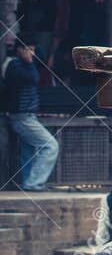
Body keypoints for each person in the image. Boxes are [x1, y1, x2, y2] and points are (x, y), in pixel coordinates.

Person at [3, 40, 59, 191]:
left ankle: (28, 184)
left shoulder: (25, 63)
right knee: (51, 146)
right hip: (21, 117)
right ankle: (33, 184)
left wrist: (31, 57)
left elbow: (41, 58)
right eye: (28, 49)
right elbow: (33, 78)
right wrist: (28, 62)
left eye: (33, 49)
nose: (31, 53)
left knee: (28, 152)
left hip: (27, 116)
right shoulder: (14, 65)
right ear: (19, 50)